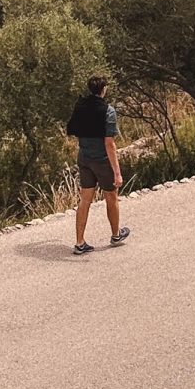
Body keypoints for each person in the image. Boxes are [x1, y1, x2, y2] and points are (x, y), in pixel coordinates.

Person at [65, 75, 130, 255]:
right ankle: (116, 235)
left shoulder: (80, 106)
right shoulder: (108, 111)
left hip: (84, 158)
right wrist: (117, 172)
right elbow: (109, 143)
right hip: (102, 161)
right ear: (104, 89)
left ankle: (80, 243)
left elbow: (73, 129)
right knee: (111, 197)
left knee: (85, 199)